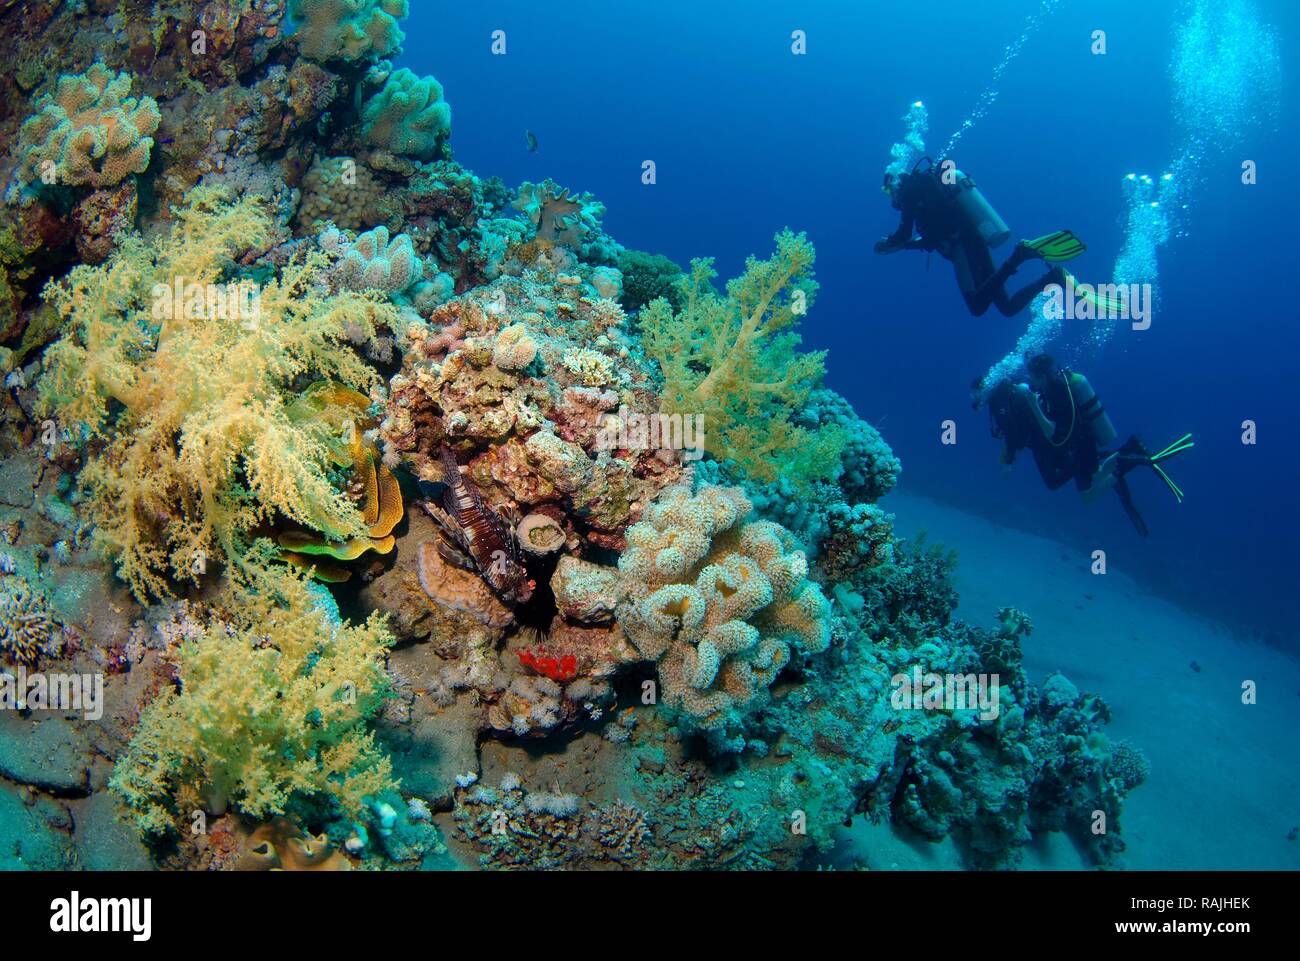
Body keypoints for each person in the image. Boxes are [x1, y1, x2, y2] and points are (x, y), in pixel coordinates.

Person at [987, 353, 1194, 535]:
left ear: (1042, 376)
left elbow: (1055, 433)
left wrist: (1033, 405)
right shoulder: (1052, 386)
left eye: (1032, 376)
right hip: (1082, 442)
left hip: (1080, 445)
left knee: (1088, 496)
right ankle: (1128, 450)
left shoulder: (1058, 392)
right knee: (1098, 474)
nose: (1030, 380)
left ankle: (1128, 461)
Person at [875, 157, 1085, 318]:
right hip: (972, 240)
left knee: (976, 306)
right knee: (1008, 308)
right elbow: (930, 239)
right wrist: (906, 246)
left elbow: (904, 233)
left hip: (961, 247)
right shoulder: (925, 191)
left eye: (888, 191)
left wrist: (888, 244)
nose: (891, 197)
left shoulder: (910, 192)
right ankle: (1052, 278)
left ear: (894, 183)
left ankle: (1019, 256)